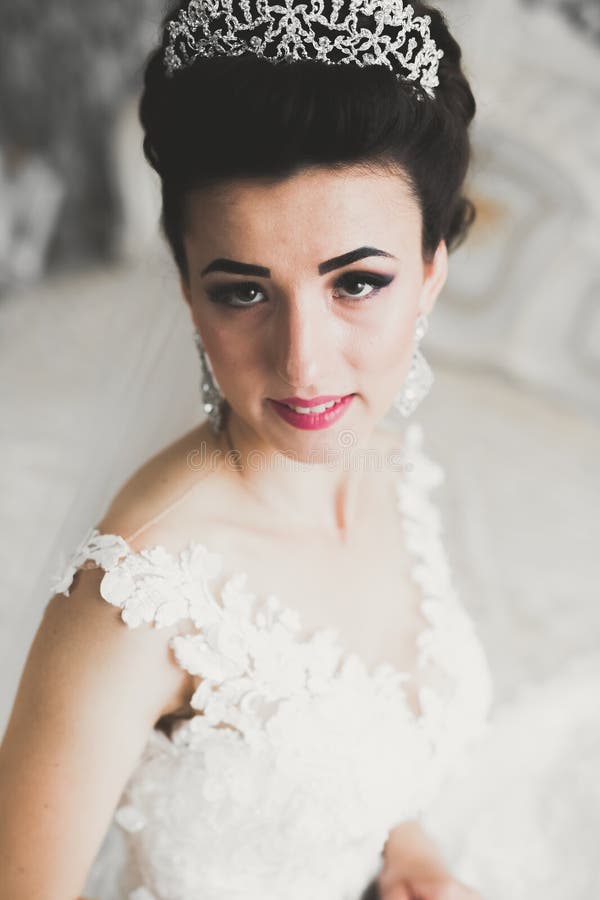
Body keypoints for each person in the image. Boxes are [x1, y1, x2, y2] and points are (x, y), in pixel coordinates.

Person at [0, 1, 494, 898]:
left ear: (431, 269)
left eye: (356, 283)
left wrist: (406, 849)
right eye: (243, 292)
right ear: (188, 291)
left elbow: (374, 741)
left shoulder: (392, 467)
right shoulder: (138, 596)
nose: (303, 364)